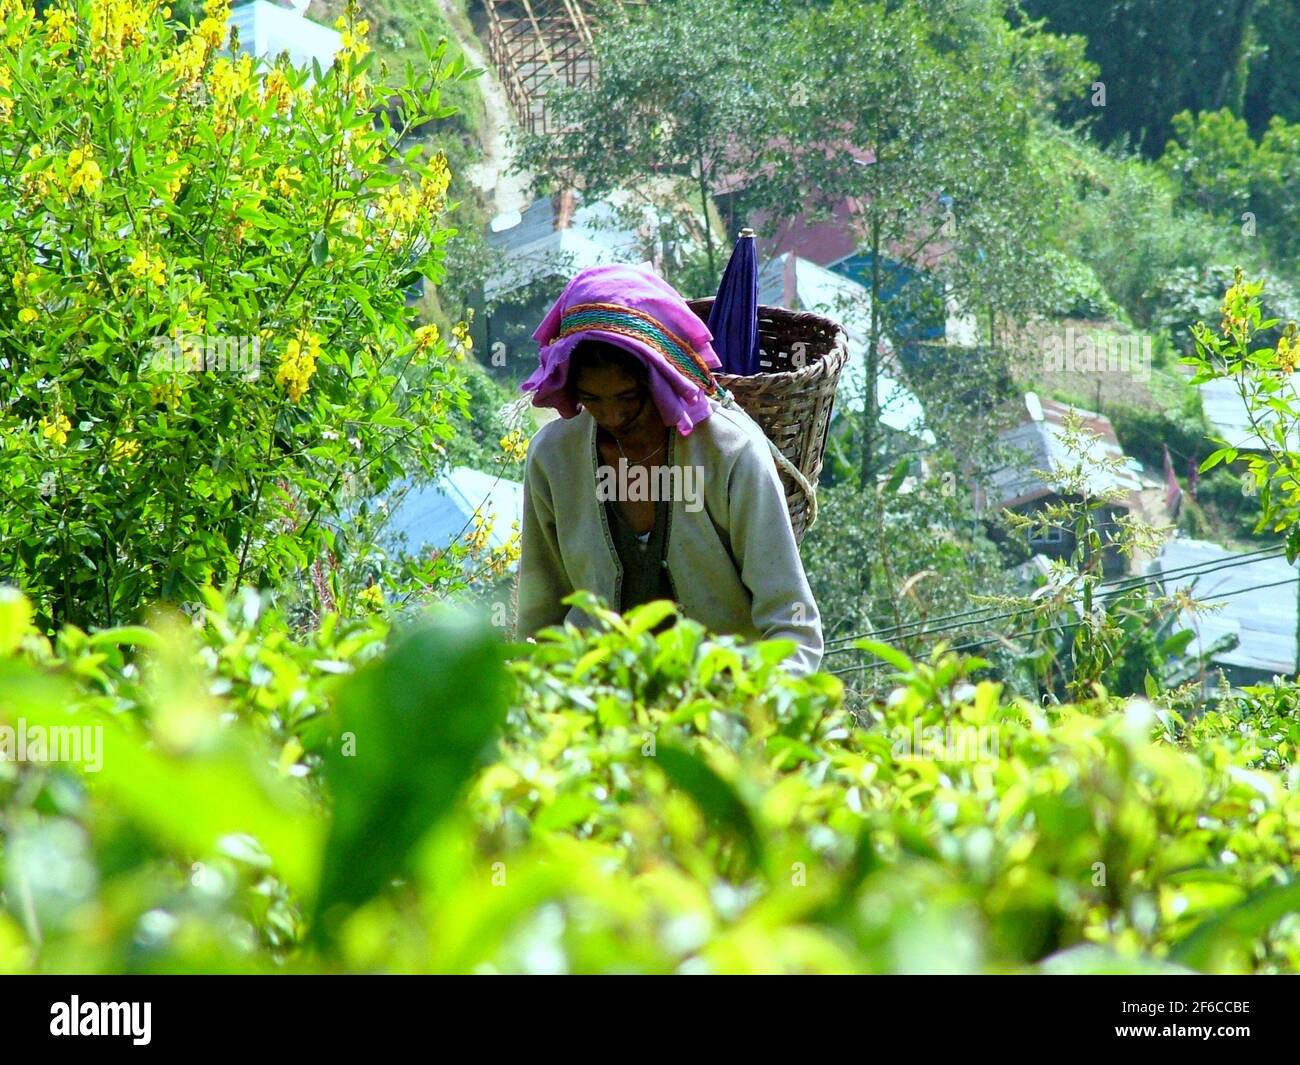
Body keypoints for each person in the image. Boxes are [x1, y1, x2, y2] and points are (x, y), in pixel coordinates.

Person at [514, 262, 823, 677]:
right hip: (598, 711)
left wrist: (761, 709)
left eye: (628, 398)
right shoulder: (553, 458)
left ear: (659, 379)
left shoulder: (729, 452)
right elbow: (541, 611)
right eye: (594, 399)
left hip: (720, 708)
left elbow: (792, 623)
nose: (613, 415)